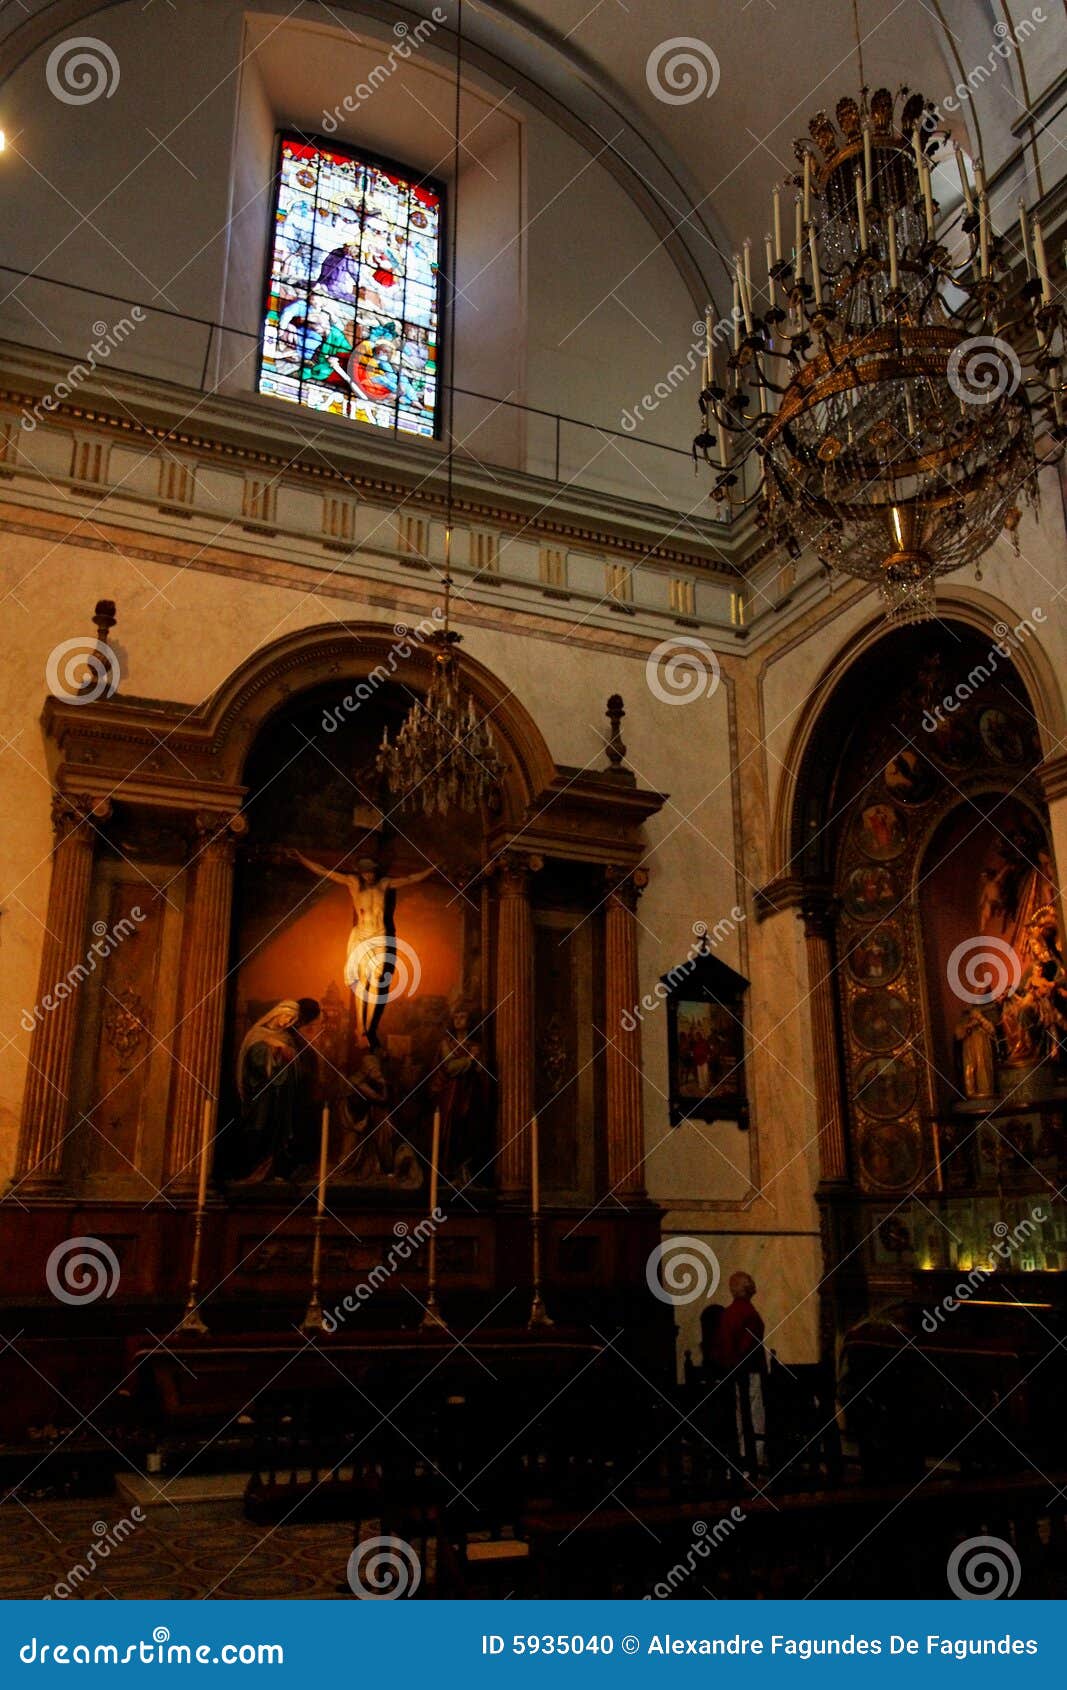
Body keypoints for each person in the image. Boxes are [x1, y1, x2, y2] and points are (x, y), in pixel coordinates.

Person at [292, 851, 435, 1046]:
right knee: (361, 982)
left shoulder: (384, 884)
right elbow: (325, 871)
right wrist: (302, 858)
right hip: (361, 934)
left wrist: (432, 868)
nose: (369, 876)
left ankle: (368, 1028)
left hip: (380, 935)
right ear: (360, 872)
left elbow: (410, 878)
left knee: (377, 981)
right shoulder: (353, 883)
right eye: (366, 872)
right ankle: (360, 1027)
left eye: (372, 872)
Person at [234, 998, 321, 1181]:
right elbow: (255, 1062)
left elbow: (295, 1065)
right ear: (278, 1013)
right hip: (262, 1094)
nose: (287, 1022)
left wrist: (286, 1055)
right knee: (260, 1127)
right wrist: (274, 1052)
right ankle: (256, 1170)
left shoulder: (287, 1037)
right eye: (286, 1017)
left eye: (292, 1020)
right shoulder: (258, 1034)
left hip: (282, 1096)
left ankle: (274, 1170)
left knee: (279, 1133)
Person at [709, 1271, 766, 1473]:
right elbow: (748, 1346)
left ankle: (739, 1461)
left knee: (739, 1419)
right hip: (749, 1373)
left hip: (731, 1372)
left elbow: (721, 1346)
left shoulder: (728, 1313)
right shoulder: (749, 1314)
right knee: (754, 1417)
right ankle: (753, 1462)